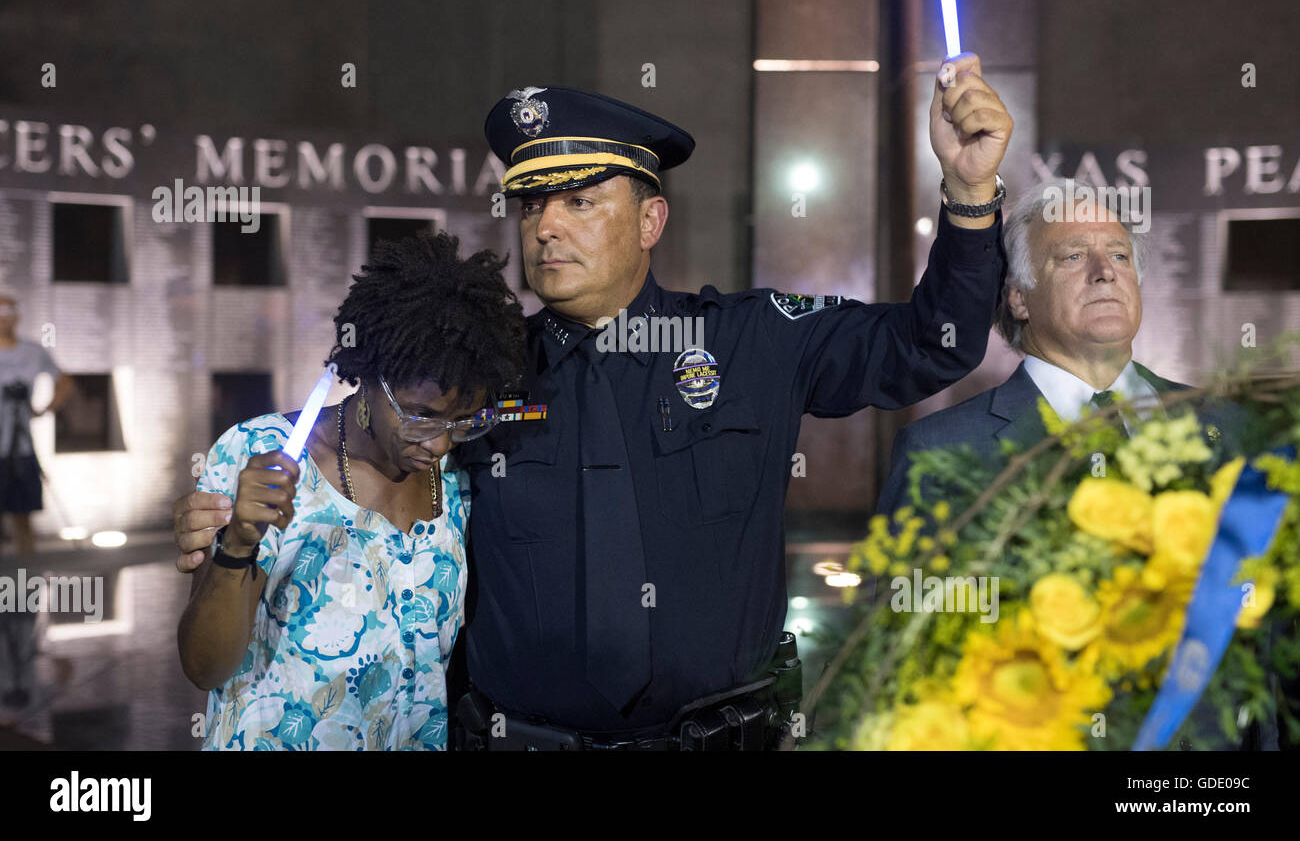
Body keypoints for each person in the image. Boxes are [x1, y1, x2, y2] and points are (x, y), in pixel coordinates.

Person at [176, 54, 1013, 750]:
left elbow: (930, 345)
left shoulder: (757, 341)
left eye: (580, 201)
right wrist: (232, 522)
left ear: (651, 219)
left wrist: (970, 195)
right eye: (533, 201)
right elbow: (368, 428)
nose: (546, 226)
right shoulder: (483, 377)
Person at [177, 231, 525, 750]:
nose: (440, 443)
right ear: (369, 376)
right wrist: (239, 544)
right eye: (420, 416)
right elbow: (205, 666)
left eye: (462, 421)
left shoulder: (455, 482)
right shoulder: (259, 451)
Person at [877, 180, 1231, 517]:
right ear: (1019, 299)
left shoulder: (1229, 423)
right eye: (1073, 256)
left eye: (1120, 256)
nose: (1105, 271)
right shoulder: (939, 451)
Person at [0, 294, 75, 556]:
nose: (3, 318)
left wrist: (44, 409)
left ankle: (26, 578)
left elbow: (65, 382)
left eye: (8, 312)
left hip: (21, 446)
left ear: (17, 317)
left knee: (23, 517)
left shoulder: (32, 352)